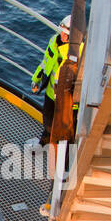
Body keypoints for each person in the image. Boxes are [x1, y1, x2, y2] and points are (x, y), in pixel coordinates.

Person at [31, 15, 71, 146]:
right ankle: (45, 140)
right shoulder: (54, 41)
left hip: (66, 97)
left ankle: (62, 155)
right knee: (47, 119)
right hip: (50, 91)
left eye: (67, 34)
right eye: (62, 32)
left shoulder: (78, 50)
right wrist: (36, 79)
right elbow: (45, 62)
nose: (63, 36)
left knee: (66, 127)